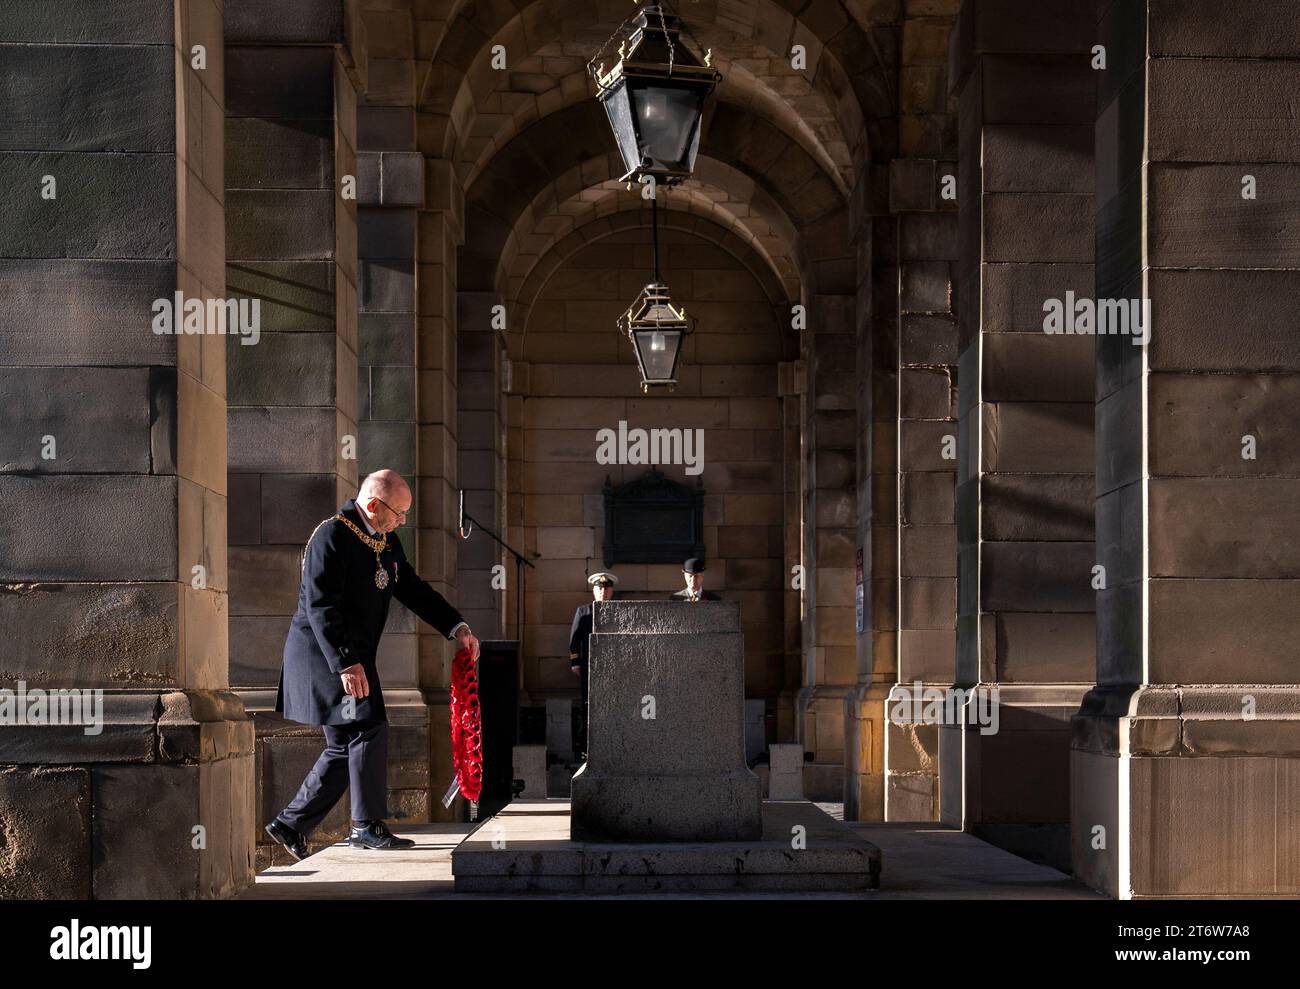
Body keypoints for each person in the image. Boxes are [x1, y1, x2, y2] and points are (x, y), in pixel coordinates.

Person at [264, 469, 480, 860]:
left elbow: (412, 589)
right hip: (324, 655)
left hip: (353, 656)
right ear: (374, 505)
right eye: (399, 513)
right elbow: (320, 605)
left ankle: (291, 823)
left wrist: (456, 625)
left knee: (346, 743)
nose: (403, 521)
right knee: (368, 725)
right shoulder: (331, 535)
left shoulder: (386, 540)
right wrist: (345, 663)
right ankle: (364, 826)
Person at [569, 572, 618, 760]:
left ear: (611, 591)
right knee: (588, 705)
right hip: (589, 666)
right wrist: (575, 662)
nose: (603, 592)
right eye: (599, 588)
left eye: (606, 588)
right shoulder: (584, 611)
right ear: (594, 590)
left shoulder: (618, 612)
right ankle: (587, 748)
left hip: (613, 668)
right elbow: (574, 640)